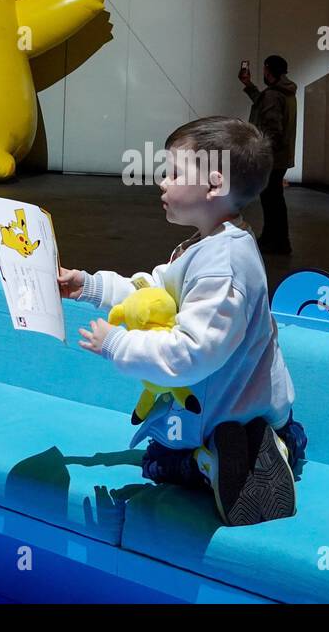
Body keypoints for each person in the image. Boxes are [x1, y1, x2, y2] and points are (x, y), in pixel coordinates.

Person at [59, 116, 307, 527]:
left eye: (174, 172)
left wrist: (116, 345)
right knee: (171, 451)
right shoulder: (207, 246)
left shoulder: (223, 267)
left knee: (158, 461)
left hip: (228, 413)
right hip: (229, 410)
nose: (163, 181)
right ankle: (265, 446)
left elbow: (192, 354)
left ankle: (233, 457)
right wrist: (88, 286)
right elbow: (152, 296)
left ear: (213, 186)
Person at [239, 54, 297, 254]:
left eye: (264, 69)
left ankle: (276, 241)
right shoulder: (286, 92)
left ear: (268, 70)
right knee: (274, 200)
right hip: (281, 157)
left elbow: (272, 128)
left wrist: (262, 154)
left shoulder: (274, 94)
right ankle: (276, 239)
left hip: (272, 158)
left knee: (271, 201)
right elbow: (263, 103)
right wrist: (248, 85)